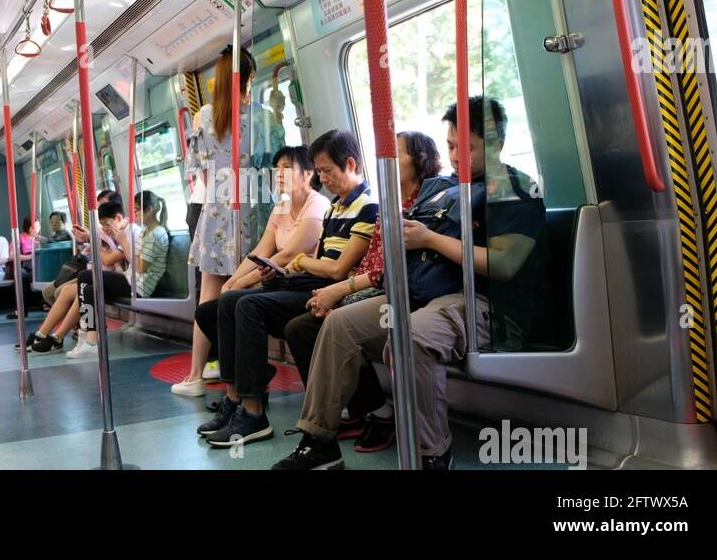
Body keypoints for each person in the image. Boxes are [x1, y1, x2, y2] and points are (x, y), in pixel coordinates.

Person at [273, 97, 544, 470]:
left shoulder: (514, 189)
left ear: (496, 143)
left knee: (412, 334)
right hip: (423, 296)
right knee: (339, 323)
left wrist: (430, 239)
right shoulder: (444, 189)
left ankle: (433, 453)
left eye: (467, 148)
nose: (455, 156)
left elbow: (504, 264)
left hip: (483, 305)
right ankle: (320, 442)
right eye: (450, 146)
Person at [194, 129, 378, 446]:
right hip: (304, 279)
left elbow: (328, 267)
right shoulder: (334, 207)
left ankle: (253, 411)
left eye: (325, 171)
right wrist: (236, 281)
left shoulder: (345, 206)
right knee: (222, 305)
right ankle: (238, 397)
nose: (324, 178)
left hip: (328, 286)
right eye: (320, 172)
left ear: (348, 165)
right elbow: (270, 253)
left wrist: (299, 266)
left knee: (246, 305)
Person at [171, 145, 330, 396]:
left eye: (287, 168)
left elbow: (287, 256)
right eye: (277, 168)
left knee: (237, 303)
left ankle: (248, 392)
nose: (278, 174)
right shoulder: (282, 207)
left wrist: (243, 283)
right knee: (208, 311)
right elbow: (262, 251)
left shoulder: (318, 205)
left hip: (303, 285)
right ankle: (243, 385)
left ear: (309, 173)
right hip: (278, 284)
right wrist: (231, 281)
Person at [181, 46, 255, 390]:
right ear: (248, 78)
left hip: (215, 210)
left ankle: (196, 375)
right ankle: (238, 374)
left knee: (208, 294)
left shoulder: (205, 116)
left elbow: (205, 176)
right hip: (252, 208)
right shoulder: (255, 115)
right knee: (239, 290)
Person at [65, 191, 169, 359]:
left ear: (149, 210)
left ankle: (87, 335)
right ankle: (90, 339)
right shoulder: (145, 232)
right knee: (89, 289)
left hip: (140, 286)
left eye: (137, 210)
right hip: (132, 279)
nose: (134, 214)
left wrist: (123, 241)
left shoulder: (157, 234)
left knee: (85, 276)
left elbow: (140, 267)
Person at [24, 199, 134, 354]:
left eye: (107, 223)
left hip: (116, 277)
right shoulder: (111, 232)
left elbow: (110, 259)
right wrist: (89, 239)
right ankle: (42, 334)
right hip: (105, 274)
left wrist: (94, 243)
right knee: (66, 291)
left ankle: (61, 336)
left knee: (81, 289)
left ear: (118, 217)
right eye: (102, 224)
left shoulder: (127, 232)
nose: (105, 228)